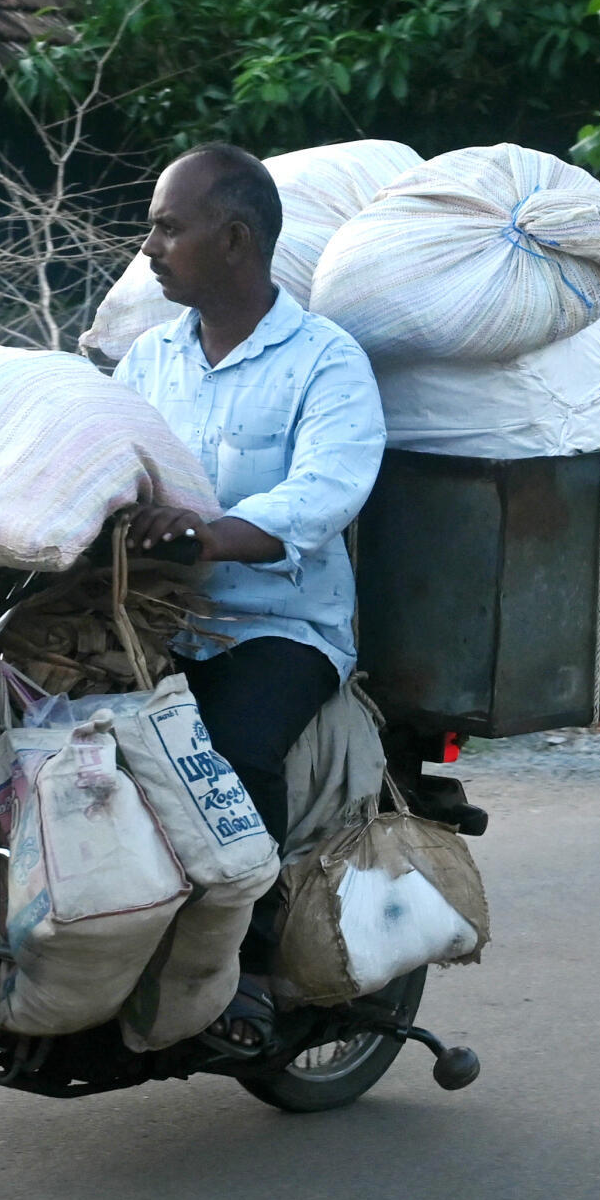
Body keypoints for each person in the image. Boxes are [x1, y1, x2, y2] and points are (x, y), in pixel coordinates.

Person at [116, 144, 386, 1054]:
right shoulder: (148, 359)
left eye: (167, 227)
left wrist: (208, 533)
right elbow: (101, 457)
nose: (149, 245)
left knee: (229, 751)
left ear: (233, 240)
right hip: (156, 615)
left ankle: (255, 977)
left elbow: (326, 492)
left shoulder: (325, 363)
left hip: (279, 624)